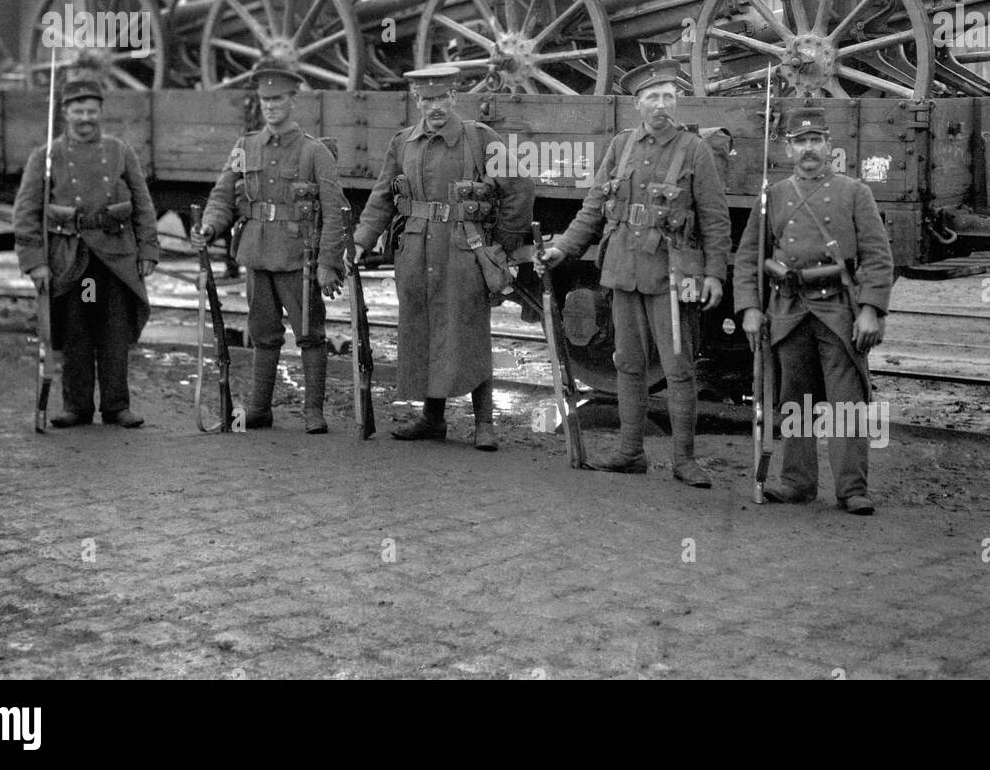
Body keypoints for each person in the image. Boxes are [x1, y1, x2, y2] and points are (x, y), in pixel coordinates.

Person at [537, 59, 730, 487]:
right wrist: (562, 249)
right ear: (638, 104)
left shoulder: (694, 149)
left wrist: (714, 275)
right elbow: (593, 209)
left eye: (668, 97)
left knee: (679, 367)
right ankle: (630, 452)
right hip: (622, 270)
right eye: (652, 98)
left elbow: (715, 220)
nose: (662, 105)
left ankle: (684, 460)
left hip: (671, 273)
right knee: (627, 363)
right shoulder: (622, 146)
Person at [353, 65, 533, 450]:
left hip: (464, 249)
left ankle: (484, 423)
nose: (434, 107)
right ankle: (432, 419)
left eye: (441, 98)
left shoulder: (480, 139)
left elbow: (519, 189)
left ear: (454, 98)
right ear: (417, 101)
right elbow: (383, 197)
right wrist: (360, 241)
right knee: (424, 329)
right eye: (426, 99)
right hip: (416, 252)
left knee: (470, 331)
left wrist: (499, 244)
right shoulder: (403, 142)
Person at [732, 106, 893, 514]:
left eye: (815, 140)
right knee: (794, 400)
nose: (808, 149)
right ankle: (796, 482)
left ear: (829, 146)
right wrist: (750, 308)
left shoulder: (855, 193)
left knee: (847, 403)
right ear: (789, 148)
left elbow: (877, 257)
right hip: (788, 309)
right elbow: (750, 257)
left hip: (837, 311)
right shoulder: (773, 197)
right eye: (800, 141)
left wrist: (871, 309)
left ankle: (852, 489)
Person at [192, 58, 346, 431]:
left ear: (294, 101)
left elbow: (335, 211)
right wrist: (211, 226)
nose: (271, 107)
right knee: (262, 333)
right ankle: (260, 409)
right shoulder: (245, 147)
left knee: (310, 335)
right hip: (257, 254)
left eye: (278, 100)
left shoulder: (314, 152)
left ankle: (313, 411)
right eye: (265, 101)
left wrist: (328, 264)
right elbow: (222, 195)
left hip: (298, 258)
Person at [13, 66, 159, 427]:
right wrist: (35, 263)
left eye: (91, 111)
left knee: (114, 333)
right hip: (69, 258)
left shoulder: (119, 150)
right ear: (65, 113)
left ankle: (116, 406)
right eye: (78, 111)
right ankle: (76, 407)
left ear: (100, 113)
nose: (85, 118)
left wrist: (148, 251)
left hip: (114, 257)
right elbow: (26, 212)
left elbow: (143, 204)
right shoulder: (45, 157)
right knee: (76, 332)